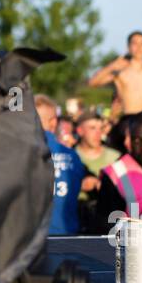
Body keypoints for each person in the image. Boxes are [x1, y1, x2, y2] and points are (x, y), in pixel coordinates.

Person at [87, 0, 142, 115]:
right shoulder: (119, 70)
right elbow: (92, 83)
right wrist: (111, 67)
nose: (139, 47)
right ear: (128, 47)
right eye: (135, 43)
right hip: (127, 118)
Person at [35, 96, 86, 235]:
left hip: (31, 240)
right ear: (53, 122)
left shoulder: (21, 154)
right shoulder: (72, 155)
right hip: (66, 235)